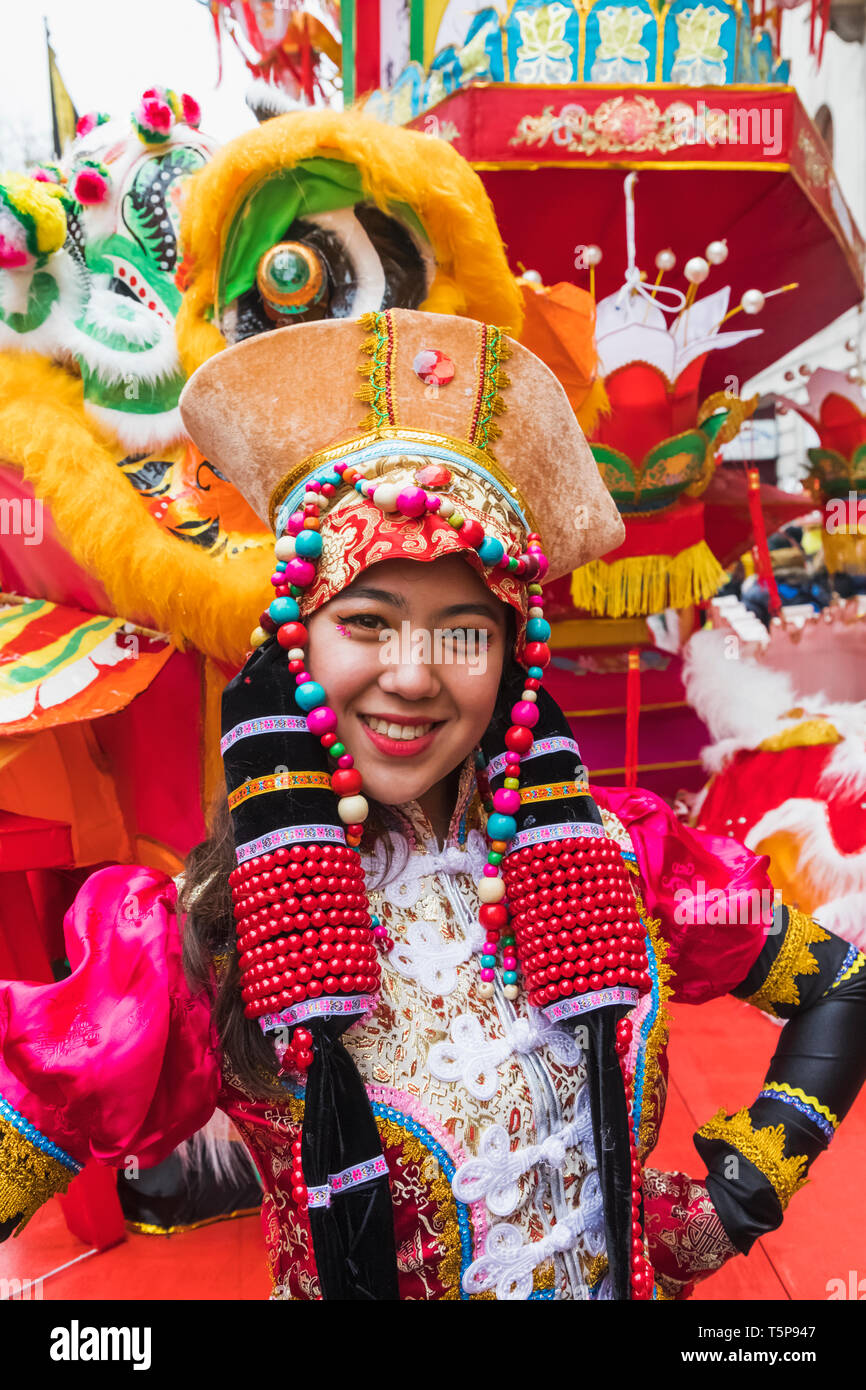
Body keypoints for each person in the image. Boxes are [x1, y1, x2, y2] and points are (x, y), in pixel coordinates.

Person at [1, 310, 863, 1301]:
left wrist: (735, 1200)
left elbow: (840, 985)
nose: (411, 676)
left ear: (509, 658)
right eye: (366, 621)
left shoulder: (623, 859)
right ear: (299, 641)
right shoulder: (206, 934)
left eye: (461, 631)